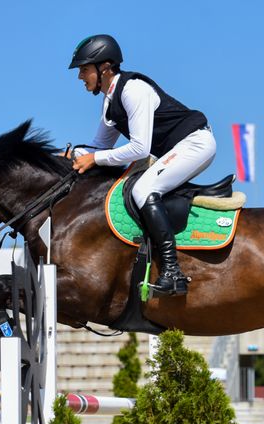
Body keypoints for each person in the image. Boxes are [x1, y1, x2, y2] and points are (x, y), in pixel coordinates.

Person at [68, 34, 216, 297]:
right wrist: (67, 155)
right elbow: (98, 147)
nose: (80, 76)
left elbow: (139, 149)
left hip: (196, 143)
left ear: (105, 68)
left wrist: (94, 159)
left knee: (142, 190)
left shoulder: (133, 90)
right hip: (179, 148)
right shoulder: (109, 101)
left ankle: (172, 271)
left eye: (84, 69)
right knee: (140, 186)